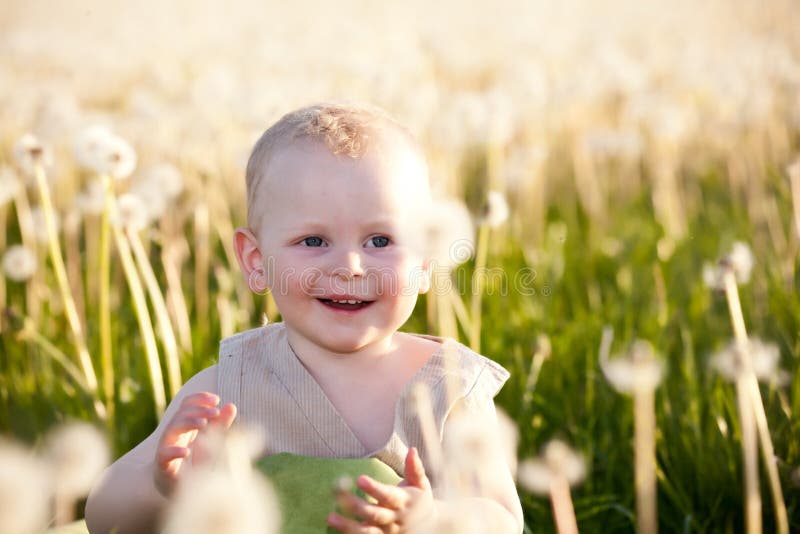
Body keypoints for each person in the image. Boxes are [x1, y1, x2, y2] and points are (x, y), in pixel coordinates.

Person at [85, 102, 523, 533]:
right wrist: (163, 486)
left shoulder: (449, 391)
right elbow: (101, 514)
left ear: (426, 261)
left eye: (380, 240)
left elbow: (504, 520)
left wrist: (432, 519)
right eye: (313, 241)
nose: (350, 266)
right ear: (256, 261)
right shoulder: (230, 387)